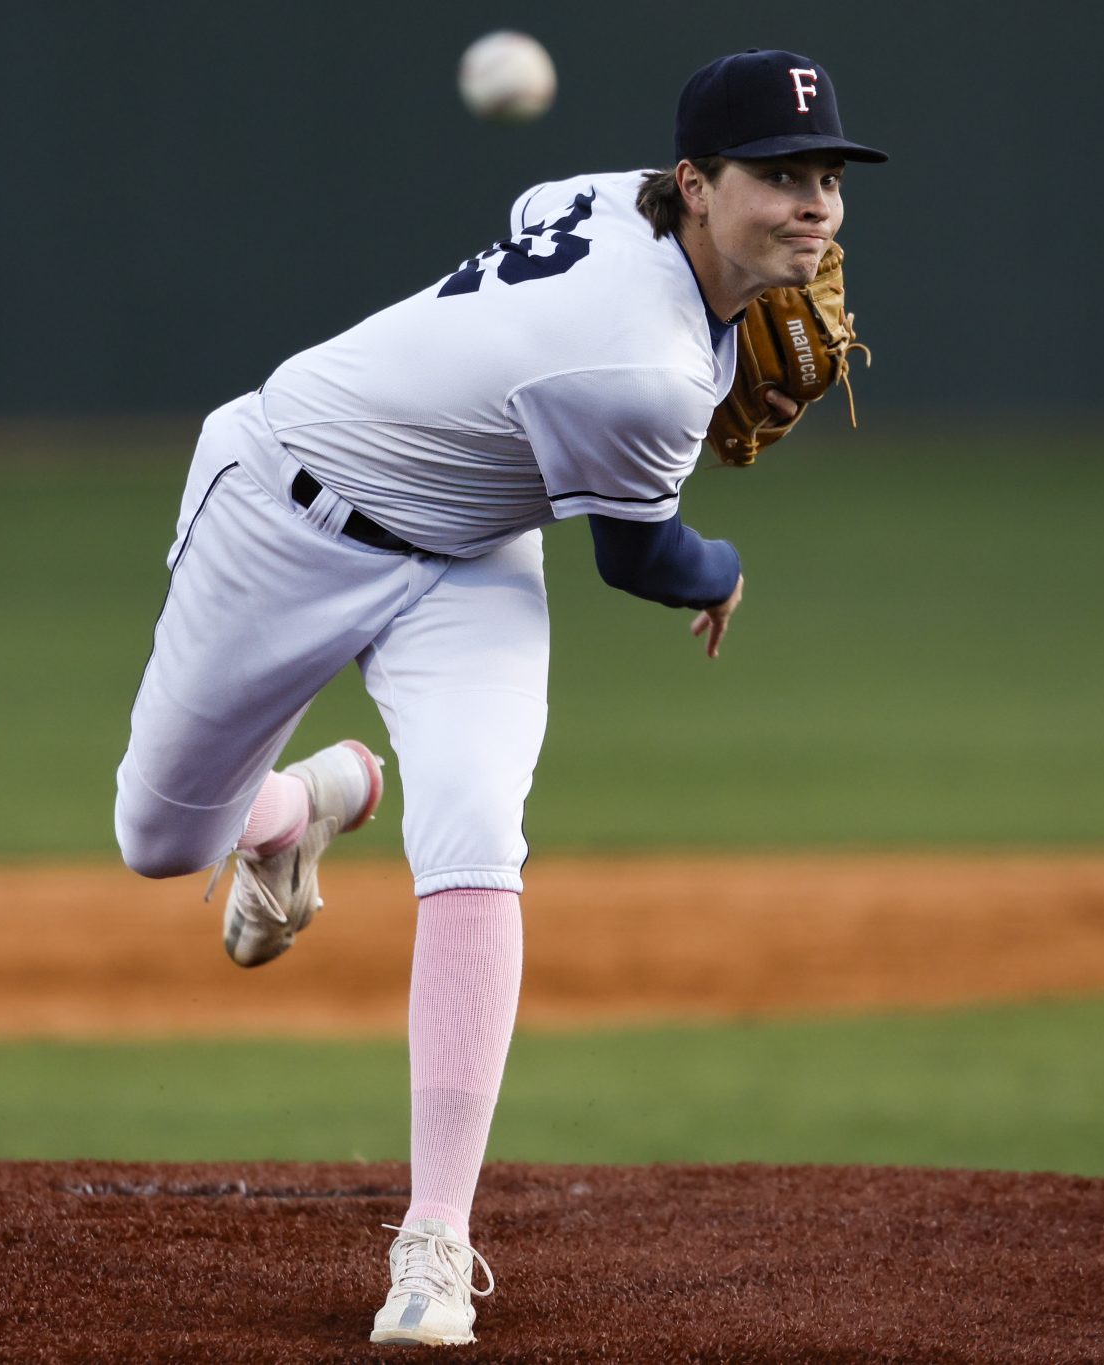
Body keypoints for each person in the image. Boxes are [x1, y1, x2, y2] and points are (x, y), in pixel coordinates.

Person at [112, 48, 886, 1348]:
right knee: (160, 840)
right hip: (282, 505)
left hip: (467, 555)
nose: (813, 203)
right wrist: (727, 567)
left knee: (475, 828)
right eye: (779, 176)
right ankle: (307, 799)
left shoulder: (611, 199)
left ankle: (435, 1239)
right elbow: (643, 560)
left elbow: (538, 208)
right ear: (696, 186)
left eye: (826, 178)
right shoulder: (643, 371)